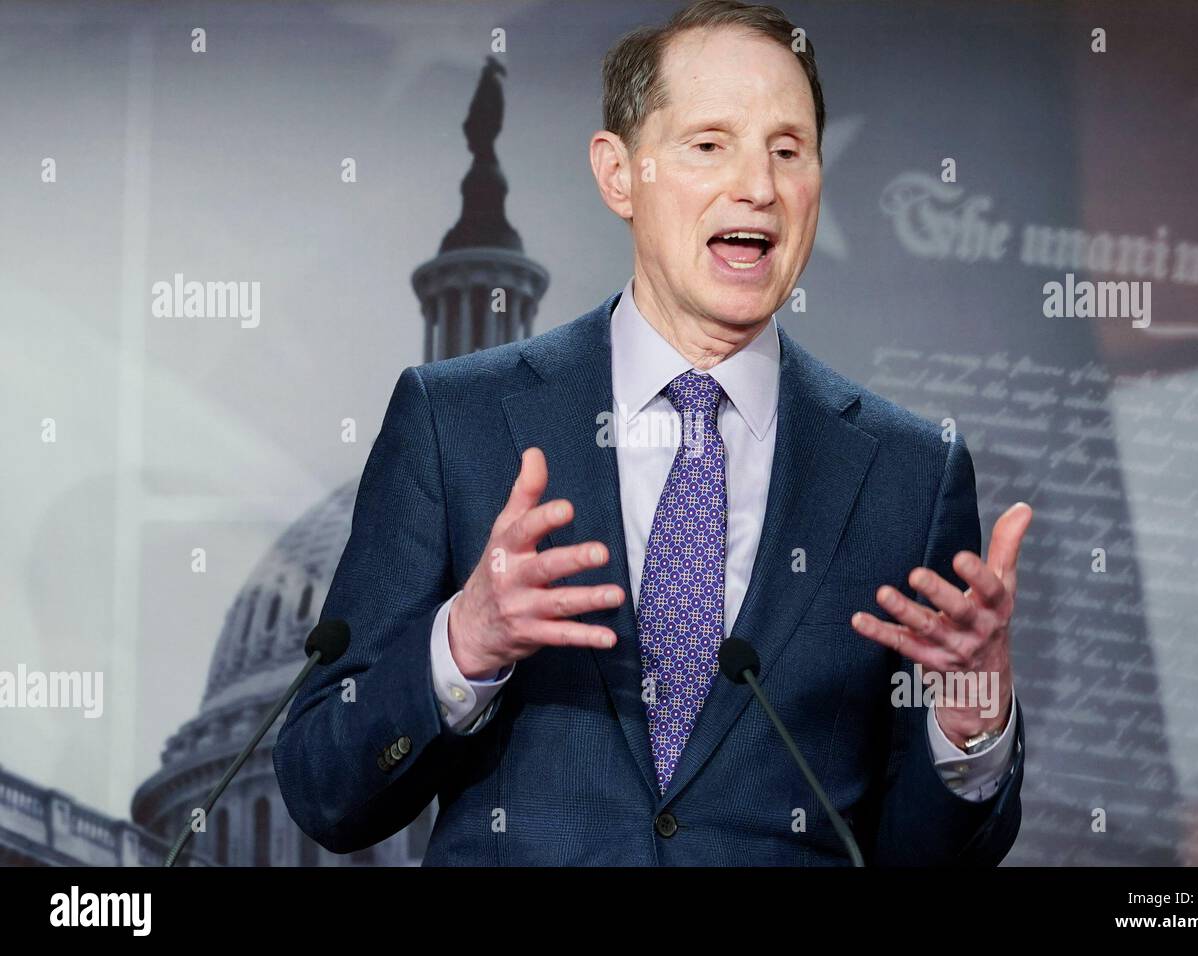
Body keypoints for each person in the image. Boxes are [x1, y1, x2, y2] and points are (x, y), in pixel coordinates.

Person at [274, 0, 1031, 866]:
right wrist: (462, 645)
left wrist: (969, 731)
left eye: (789, 150)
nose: (759, 186)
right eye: (710, 144)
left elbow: (925, 859)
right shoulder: (458, 423)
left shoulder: (909, 474)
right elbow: (323, 788)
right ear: (619, 174)